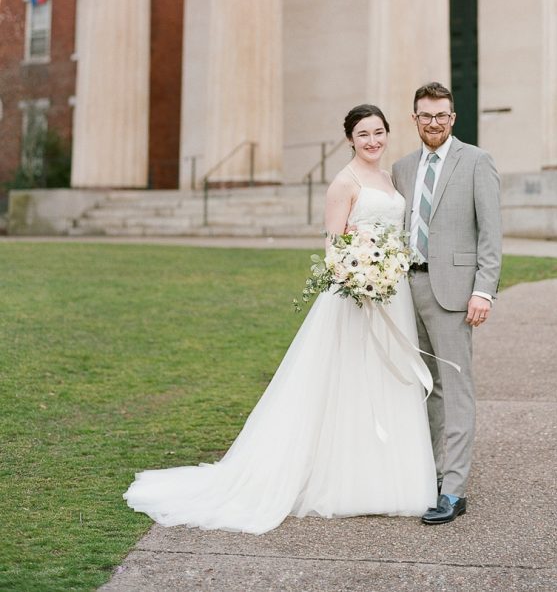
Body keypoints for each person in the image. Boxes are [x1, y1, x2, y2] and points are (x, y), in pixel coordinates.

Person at [123, 104, 437, 534]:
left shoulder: (388, 179)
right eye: (363, 134)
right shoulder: (343, 183)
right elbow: (332, 248)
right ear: (349, 139)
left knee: (388, 380)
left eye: (378, 132)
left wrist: (387, 268)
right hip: (357, 296)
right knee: (349, 382)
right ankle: (345, 481)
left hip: (392, 293)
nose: (372, 141)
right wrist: (362, 272)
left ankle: (391, 479)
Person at [392, 82, 502, 525]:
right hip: (405, 290)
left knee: (455, 388)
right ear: (414, 119)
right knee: (424, 386)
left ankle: (454, 489)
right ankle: (433, 473)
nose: (433, 123)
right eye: (425, 116)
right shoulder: (401, 168)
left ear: (452, 119)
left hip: (455, 293)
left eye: (441, 116)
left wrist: (484, 289)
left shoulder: (476, 161)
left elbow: (491, 233)